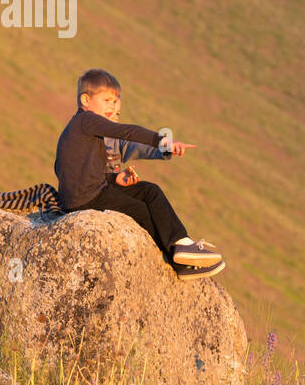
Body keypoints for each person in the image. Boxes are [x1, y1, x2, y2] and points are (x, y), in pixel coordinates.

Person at [54, 68, 225, 280]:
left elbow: (73, 169)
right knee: (140, 210)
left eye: (115, 102)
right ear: (85, 100)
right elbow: (128, 132)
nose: (113, 106)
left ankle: (181, 244)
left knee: (150, 191)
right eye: (107, 100)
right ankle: (176, 261)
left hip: (94, 190)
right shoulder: (86, 120)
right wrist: (162, 141)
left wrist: (114, 178)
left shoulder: (86, 129)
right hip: (84, 199)